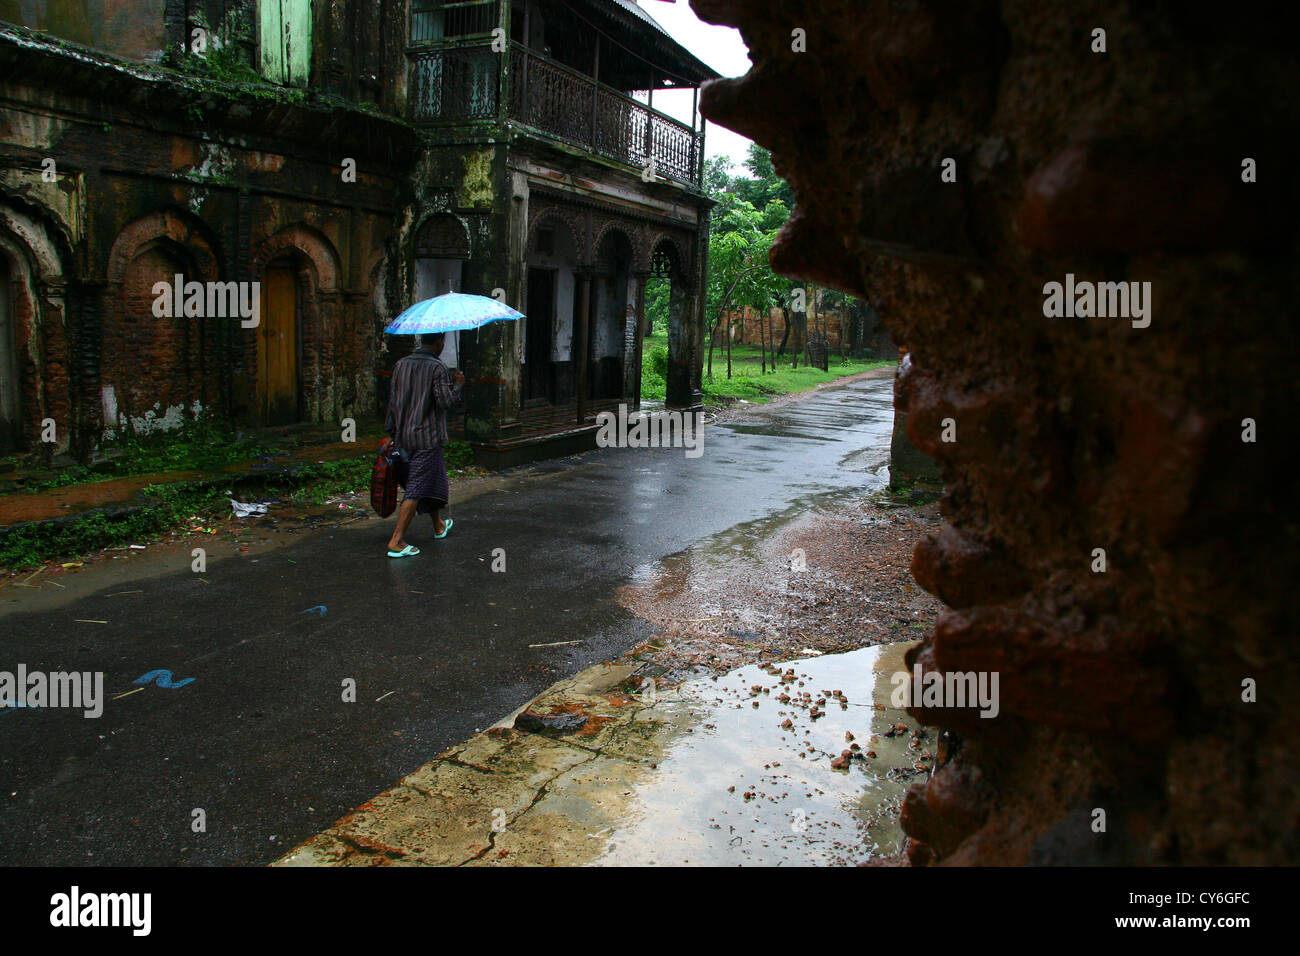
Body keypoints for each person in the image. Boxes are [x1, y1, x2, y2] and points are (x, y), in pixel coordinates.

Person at [383, 332, 464, 557]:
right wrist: (457, 385)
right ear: (439, 342)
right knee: (416, 487)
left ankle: (438, 524)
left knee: (434, 481)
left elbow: (393, 400)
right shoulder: (437, 368)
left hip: (404, 435)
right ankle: (396, 540)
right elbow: (445, 401)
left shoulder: (401, 364)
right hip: (427, 437)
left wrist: (391, 433)